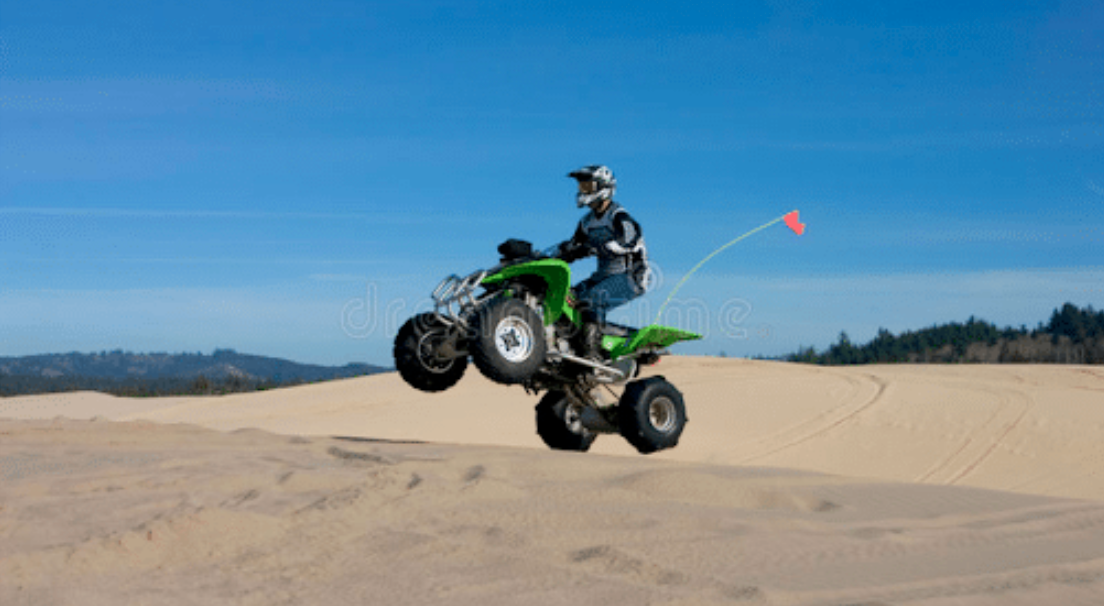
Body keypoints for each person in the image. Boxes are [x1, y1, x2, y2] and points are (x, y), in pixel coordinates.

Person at [554, 165, 651, 360]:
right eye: (582, 187)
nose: (583, 191)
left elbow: (630, 240)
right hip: (603, 276)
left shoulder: (618, 215)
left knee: (592, 300)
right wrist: (555, 255)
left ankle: (592, 354)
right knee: (566, 298)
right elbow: (572, 247)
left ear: (604, 187)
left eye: (588, 186)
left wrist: (602, 247)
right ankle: (570, 347)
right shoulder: (586, 222)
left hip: (631, 275)